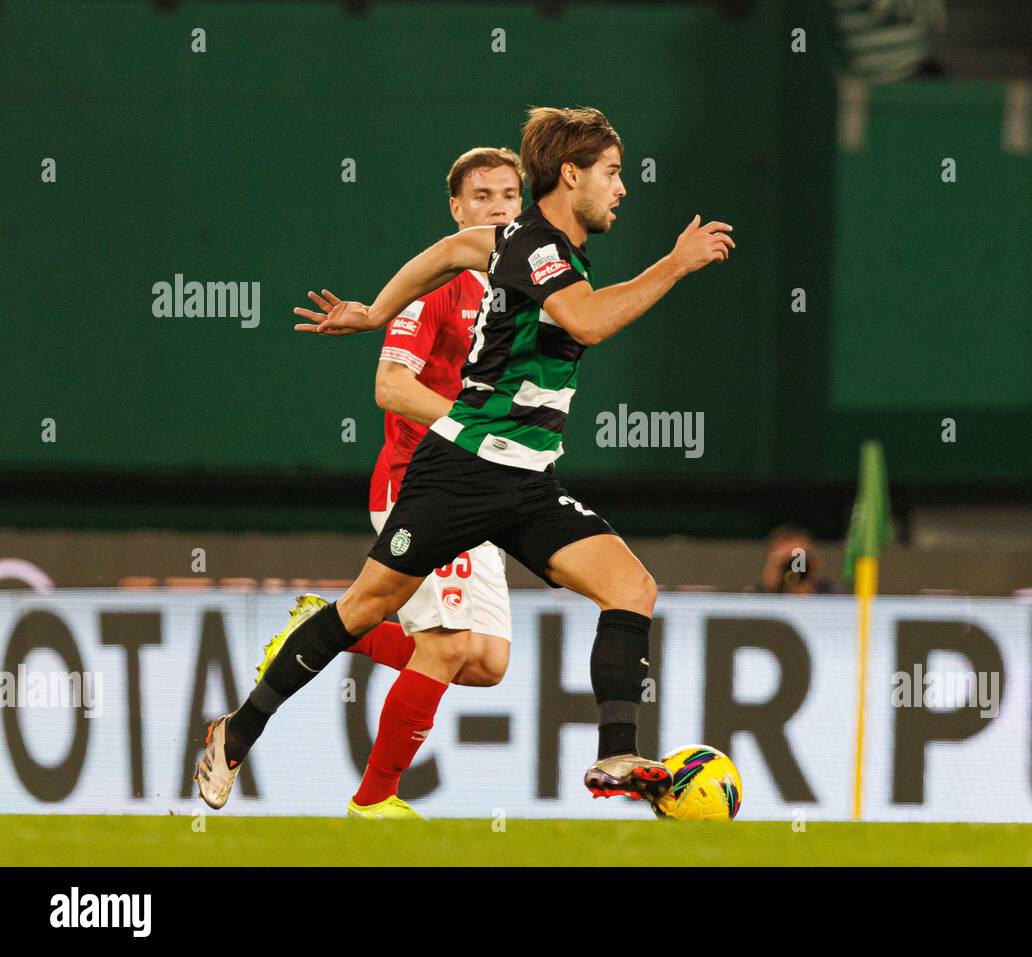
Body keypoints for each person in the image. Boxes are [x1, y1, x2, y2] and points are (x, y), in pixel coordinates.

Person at [195, 106, 734, 810]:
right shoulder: (540, 248)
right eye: (611, 173)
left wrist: (375, 309)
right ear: (570, 176)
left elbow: (448, 252)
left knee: (631, 588)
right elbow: (589, 321)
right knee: (364, 608)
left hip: (528, 479)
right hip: (463, 470)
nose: (622, 188)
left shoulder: (518, 241)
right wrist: (675, 264)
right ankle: (237, 731)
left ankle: (615, 757)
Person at [250, 148, 525, 819]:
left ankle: (323, 626)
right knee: (450, 645)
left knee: (487, 662)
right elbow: (390, 386)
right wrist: (478, 428)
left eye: (510, 196)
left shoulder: (527, 292)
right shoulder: (434, 287)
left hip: (479, 485)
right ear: (457, 210)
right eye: (482, 196)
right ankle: (374, 801)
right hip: (418, 483)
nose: (497, 208)